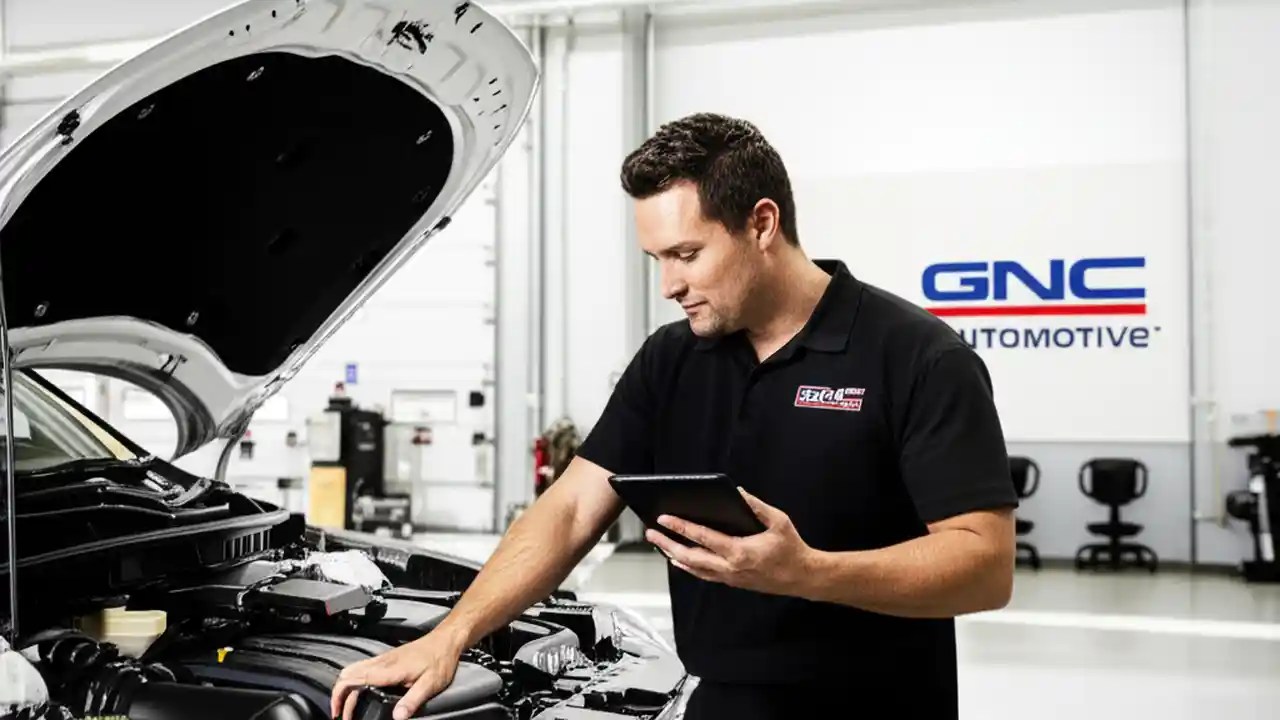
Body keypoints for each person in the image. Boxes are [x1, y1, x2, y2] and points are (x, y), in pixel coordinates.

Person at [329, 112, 1018, 720]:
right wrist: (450, 636)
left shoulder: (918, 357)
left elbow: (984, 565)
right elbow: (570, 507)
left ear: (762, 224)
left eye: (687, 255)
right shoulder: (673, 359)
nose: (670, 285)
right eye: (656, 259)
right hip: (717, 702)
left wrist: (807, 571)